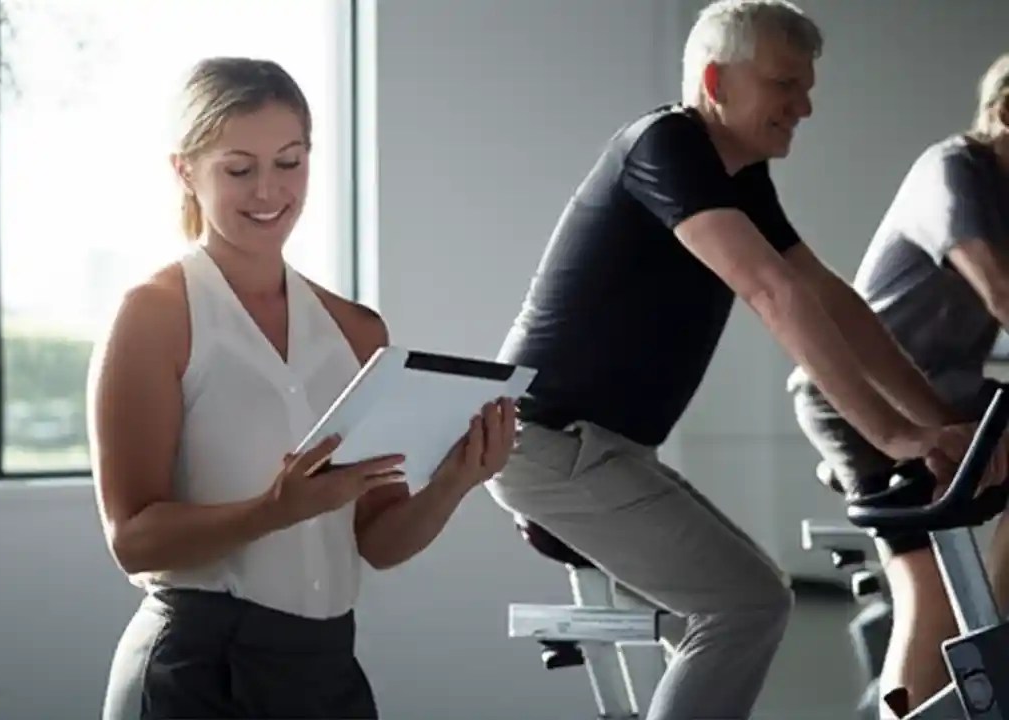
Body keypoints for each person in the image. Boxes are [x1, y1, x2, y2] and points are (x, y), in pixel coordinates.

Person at [485, 2, 1008, 719]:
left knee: (745, 606)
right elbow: (772, 292)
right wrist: (894, 437)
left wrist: (940, 421)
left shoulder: (738, 174)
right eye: (785, 84)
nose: (806, 105)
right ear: (715, 79)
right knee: (746, 606)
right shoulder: (664, 145)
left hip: (607, 452)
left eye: (808, 85)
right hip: (548, 446)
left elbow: (835, 300)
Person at [88, 57, 516, 720]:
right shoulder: (155, 315)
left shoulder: (357, 331)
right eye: (239, 167)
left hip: (325, 670)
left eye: (290, 162)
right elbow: (134, 540)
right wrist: (272, 511)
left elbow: (377, 541)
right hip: (198, 671)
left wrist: (455, 481)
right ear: (185, 171)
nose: (269, 190)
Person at [788, 51, 1009, 719]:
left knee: (952, 599)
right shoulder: (955, 170)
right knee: (931, 596)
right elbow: (1001, 294)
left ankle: (994, 641)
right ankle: (987, 649)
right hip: (858, 398)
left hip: (943, 401)